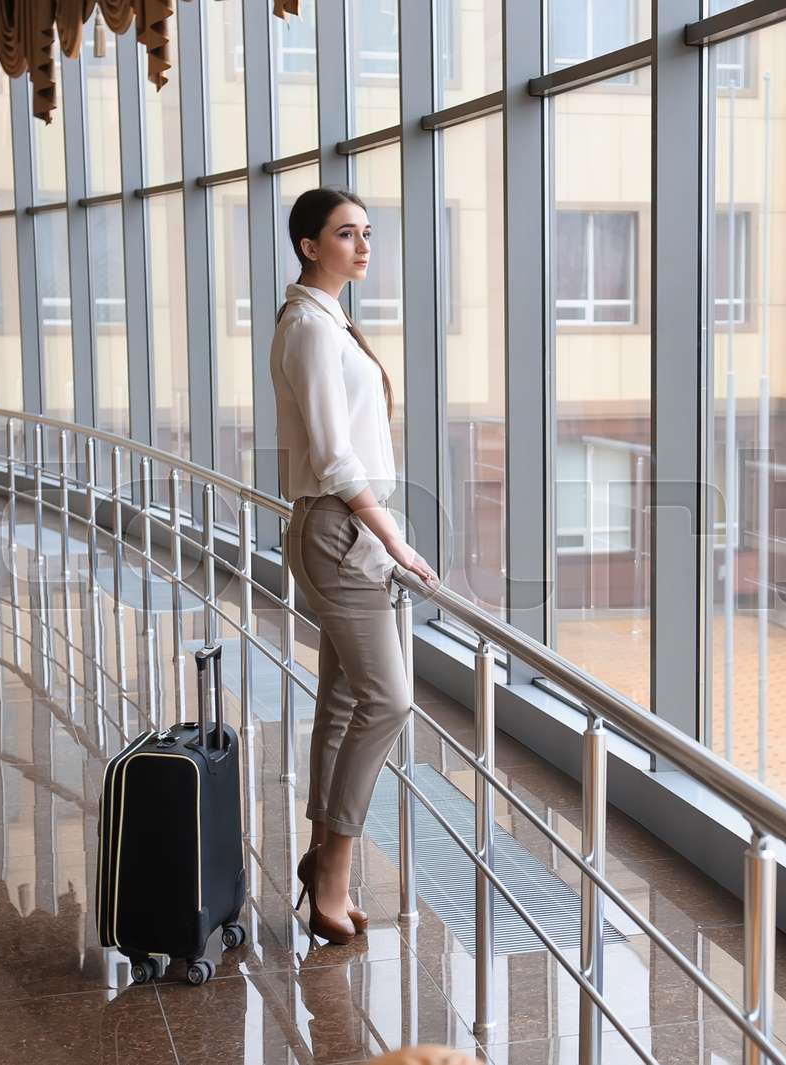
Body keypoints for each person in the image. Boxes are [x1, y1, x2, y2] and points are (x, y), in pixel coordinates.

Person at [270, 187, 439, 944]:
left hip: (346, 529)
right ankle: (335, 865)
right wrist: (395, 540)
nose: (364, 246)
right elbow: (336, 457)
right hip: (339, 531)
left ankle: (318, 856)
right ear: (309, 244)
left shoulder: (329, 320)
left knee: (343, 701)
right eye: (346, 234)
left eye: (367, 232)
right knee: (389, 700)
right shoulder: (309, 327)